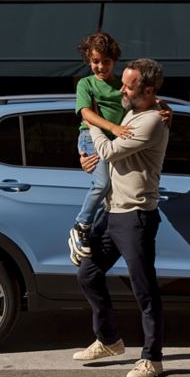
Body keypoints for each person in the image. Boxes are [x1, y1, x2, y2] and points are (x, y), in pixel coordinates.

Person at [72, 59, 170, 377]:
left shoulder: (152, 121)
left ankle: (152, 359)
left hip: (136, 216)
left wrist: (92, 122)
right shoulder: (134, 110)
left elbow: (111, 151)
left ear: (148, 90)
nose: (122, 90)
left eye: (129, 86)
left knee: (144, 289)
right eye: (124, 84)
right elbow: (105, 157)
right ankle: (109, 339)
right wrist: (89, 156)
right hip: (113, 212)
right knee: (88, 273)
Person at [68, 33, 130, 264]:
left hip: (115, 142)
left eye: (105, 61)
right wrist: (113, 127)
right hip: (91, 138)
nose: (100, 66)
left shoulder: (122, 84)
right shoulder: (86, 83)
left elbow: (144, 99)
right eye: (95, 61)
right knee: (103, 184)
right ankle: (81, 225)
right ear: (88, 60)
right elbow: (86, 113)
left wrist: (165, 109)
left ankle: (91, 240)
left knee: (113, 191)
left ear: (114, 61)